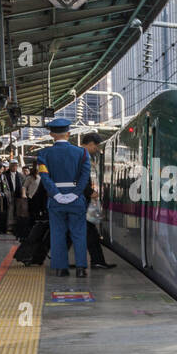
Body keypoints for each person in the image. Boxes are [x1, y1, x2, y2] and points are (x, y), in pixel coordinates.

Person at [37, 119, 91, 279]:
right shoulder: (82, 153)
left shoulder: (43, 154)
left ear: (52, 134)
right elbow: (85, 176)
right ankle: (81, 268)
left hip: (55, 201)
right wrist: (75, 193)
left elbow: (44, 177)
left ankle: (61, 268)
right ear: (68, 133)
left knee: (58, 233)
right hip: (77, 199)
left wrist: (57, 194)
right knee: (79, 233)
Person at [79, 133, 115, 269]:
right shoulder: (81, 156)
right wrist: (90, 192)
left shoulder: (82, 155)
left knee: (88, 232)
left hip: (81, 201)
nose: (97, 149)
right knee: (89, 232)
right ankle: (96, 261)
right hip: (81, 201)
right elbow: (79, 178)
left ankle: (97, 260)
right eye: (96, 146)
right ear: (90, 144)